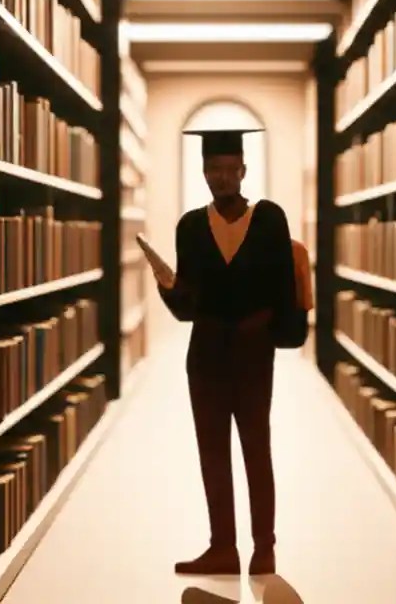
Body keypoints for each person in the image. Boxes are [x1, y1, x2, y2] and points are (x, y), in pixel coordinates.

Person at [152, 124, 298, 577]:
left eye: (230, 169)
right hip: (207, 357)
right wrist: (167, 288)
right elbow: (188, 309)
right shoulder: (190, 226)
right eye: (213, 169)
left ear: (243, 170)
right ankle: (223, 547)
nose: (221, 177)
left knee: (257, 447)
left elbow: (284, 291)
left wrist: (260, 326)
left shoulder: (270, 219)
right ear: (203, 172)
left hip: (254, 356)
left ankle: (264, 547)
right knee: (212, 452)